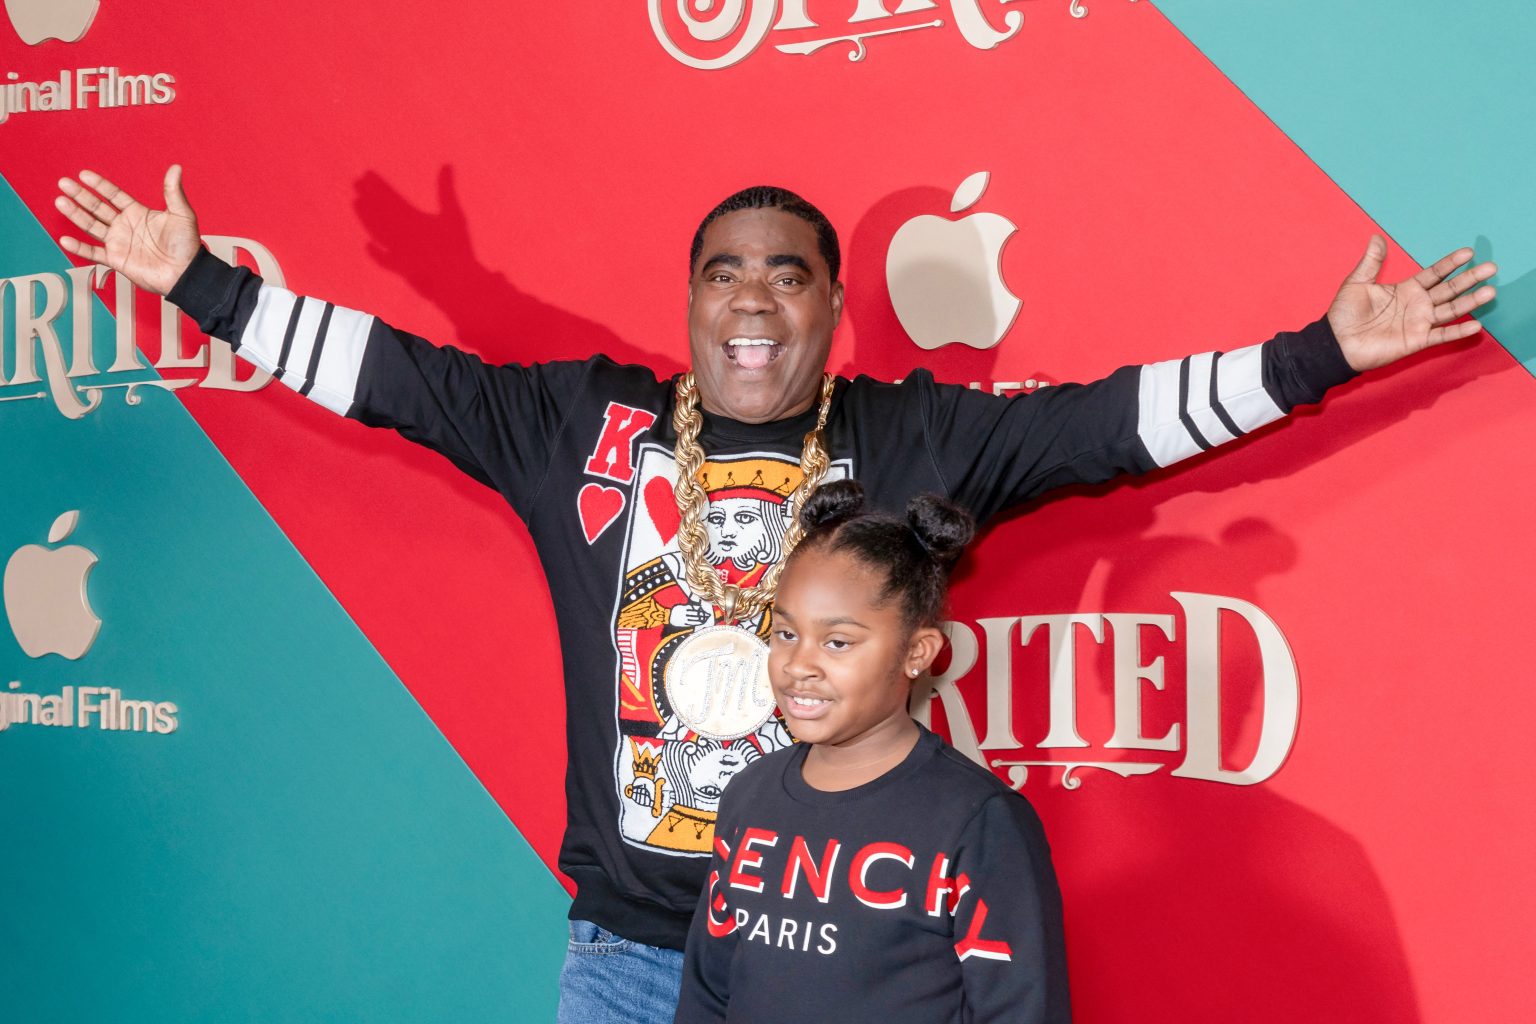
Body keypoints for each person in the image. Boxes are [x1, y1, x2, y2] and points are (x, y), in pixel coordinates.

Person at [52, 167, 1495, 1024]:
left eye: (788, 276)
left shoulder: (914, 437)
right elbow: (397, 381)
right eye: (725, 274)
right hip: (626, 957)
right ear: (691, 299)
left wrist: (1319, 353)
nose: (754, 299)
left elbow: (1112, 424)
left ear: (832, 307)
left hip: (837, 955)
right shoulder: (581, 424)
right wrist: (203, 286)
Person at [675, 480, 1069, 1023]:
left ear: (917, 652)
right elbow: (707, 991)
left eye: (837, 642)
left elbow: (1020, 1009)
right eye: (785, 633)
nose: (798, 665)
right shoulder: (749, 794)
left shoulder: (979, 820)